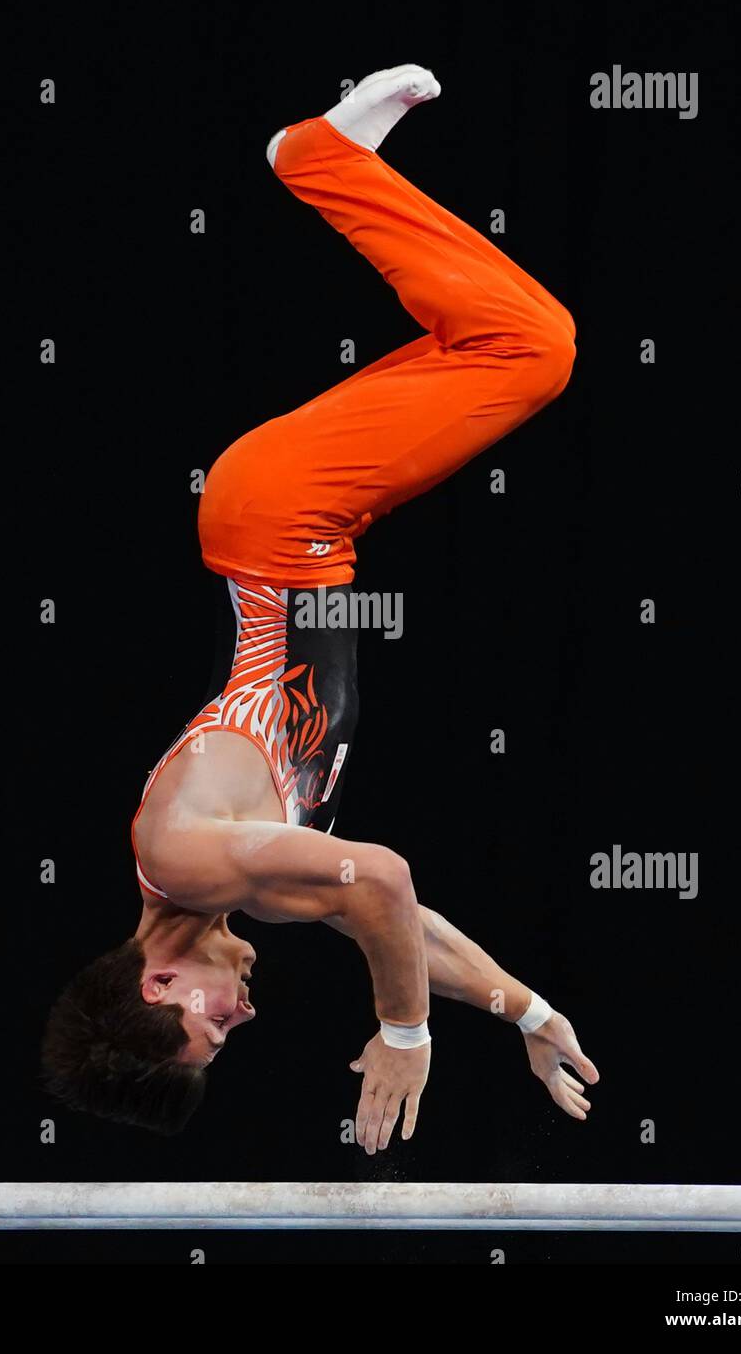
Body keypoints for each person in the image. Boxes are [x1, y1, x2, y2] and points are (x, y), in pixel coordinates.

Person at [42, 65, 598, 1151]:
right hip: (302, 527)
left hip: (278, 523)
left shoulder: (190, 855)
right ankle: (333, 161)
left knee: (531, 349)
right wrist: (526, 1011)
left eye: (212, 1029)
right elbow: (401, 918)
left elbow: (381, 880)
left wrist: (405, 1032)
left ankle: (319, 161)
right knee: (497, 340)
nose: (243, 1017)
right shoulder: (245, 883)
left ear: (158, 984)